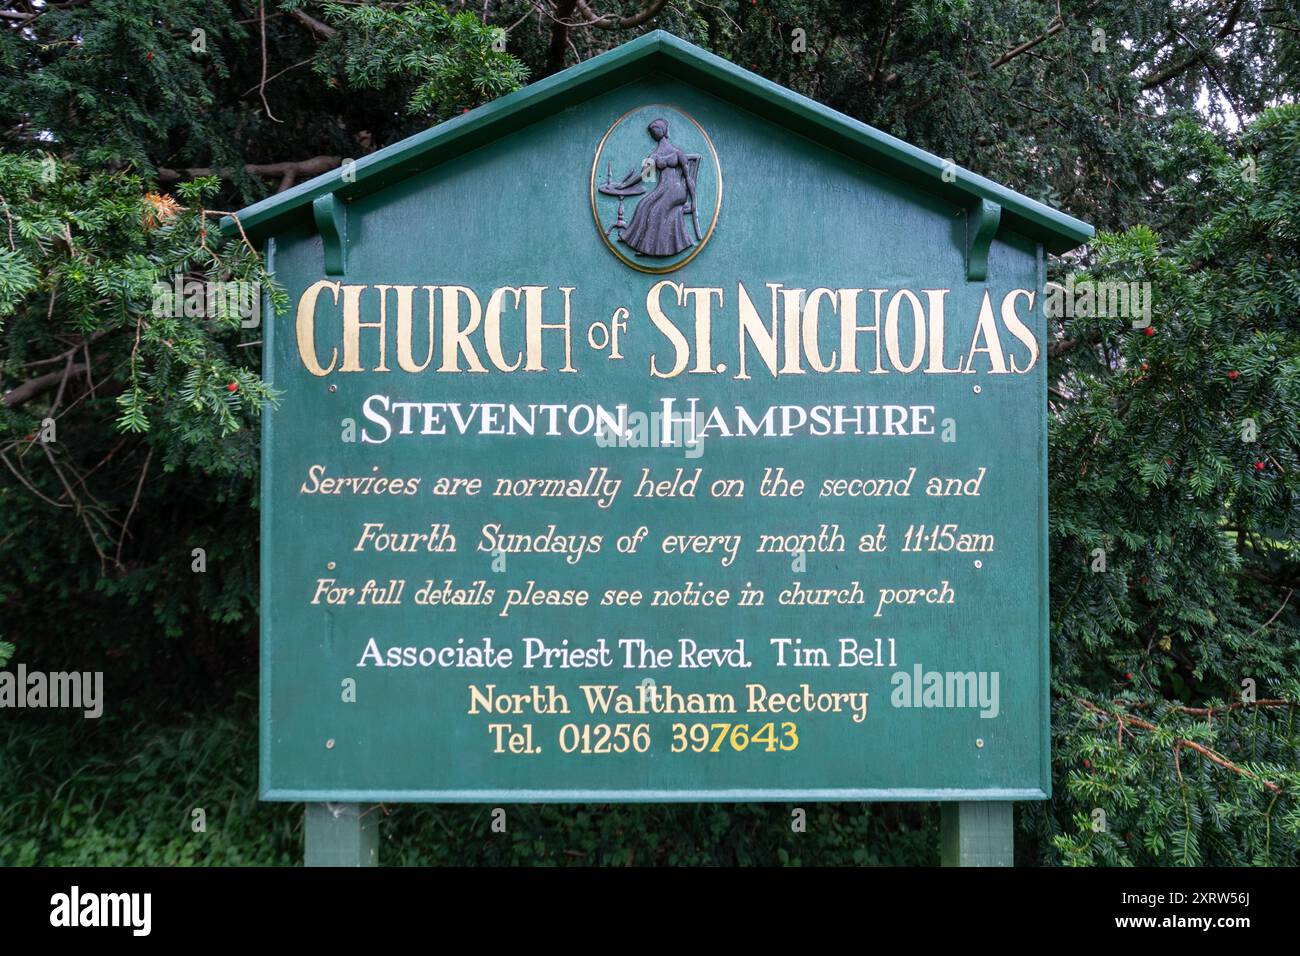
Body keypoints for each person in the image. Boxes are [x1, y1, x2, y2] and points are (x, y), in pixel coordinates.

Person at [612, 118, 699, 257]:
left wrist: (694, 201)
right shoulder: (653, 155)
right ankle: (633, 240)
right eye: (652, 131)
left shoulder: (678, 153)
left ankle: (651, 249)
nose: (653, 132)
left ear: (663, 130)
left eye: (656, 129)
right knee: (643, 204)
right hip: (662, 189)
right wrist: (624, 185)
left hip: (677, 190)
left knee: (656, 210)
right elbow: (643, 176)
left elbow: (688, 178)